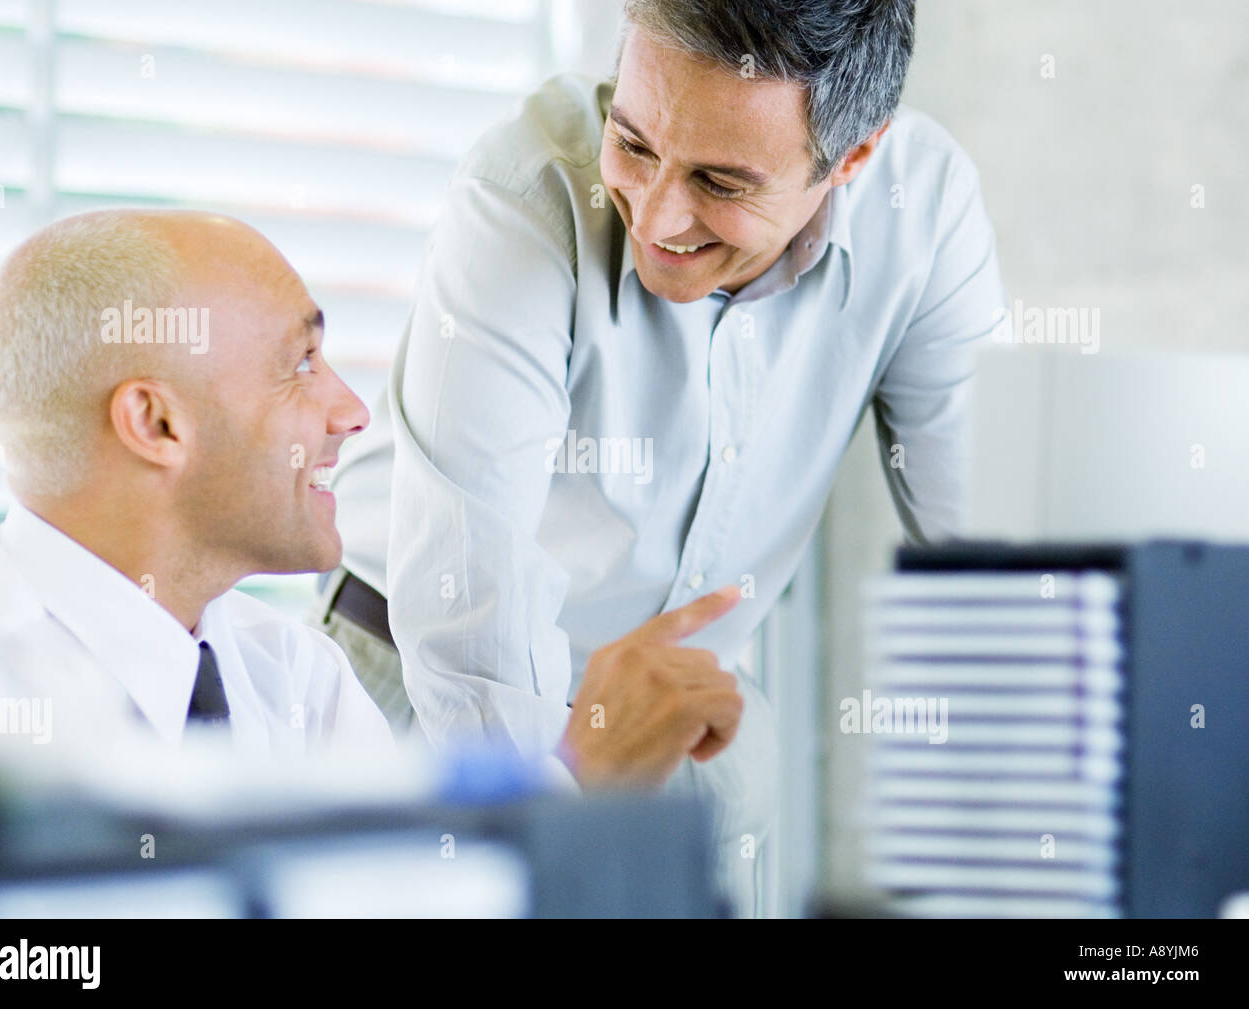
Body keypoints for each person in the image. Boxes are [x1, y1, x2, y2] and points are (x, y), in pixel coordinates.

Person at [318, 0, 1005, 913]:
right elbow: (467, 608)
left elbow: (997, 544)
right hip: (421, 682)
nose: (656, 214)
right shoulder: (524, 188)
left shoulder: (926, 209)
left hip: (665, 724)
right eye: (633, 144)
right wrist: (554, 823)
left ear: (852, 160)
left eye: (721, 182)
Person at [0, 210, 743, 787]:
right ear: (156, 422)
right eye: (299, 363)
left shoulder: (294, 676)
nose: (352, 413)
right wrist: (580, 784)